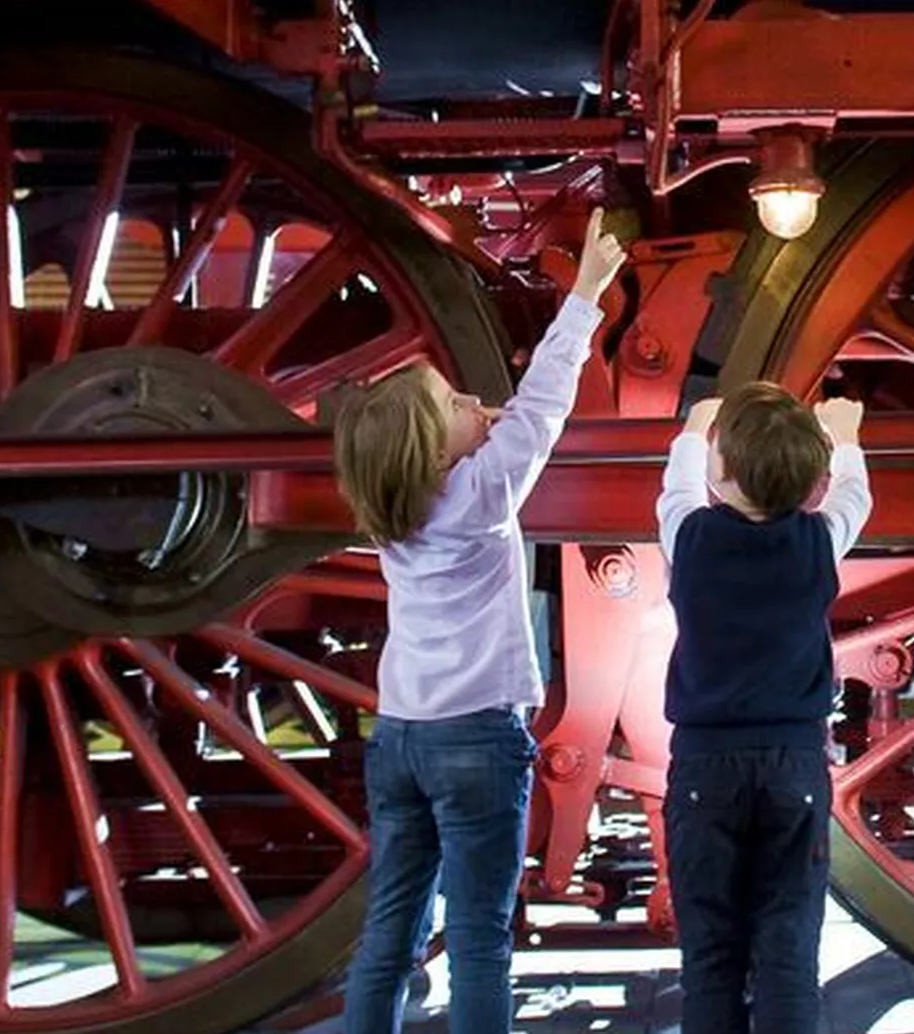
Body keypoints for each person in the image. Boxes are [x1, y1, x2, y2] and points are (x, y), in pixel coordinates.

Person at [333, 208, 626, 1034]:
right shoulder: (479, 495)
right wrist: (588, 296)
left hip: (400, 739)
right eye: (456, 401)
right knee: (480, 939)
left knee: (388, 932)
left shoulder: (391, 507)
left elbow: (500, 423)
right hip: (476, 740)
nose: (474, 400)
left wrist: (466, 433)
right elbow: (544, 405)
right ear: (436, 450)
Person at [654, 382, 873, 1033]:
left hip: (703, 765)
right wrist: (849, 435)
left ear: (720, 473)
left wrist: (695, 426)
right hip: (794, 764)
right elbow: (855, 499)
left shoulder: (689, 539)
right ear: (812, 480)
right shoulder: (818, 541)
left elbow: (676, 489)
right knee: (788, 956)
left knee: (710, 958)